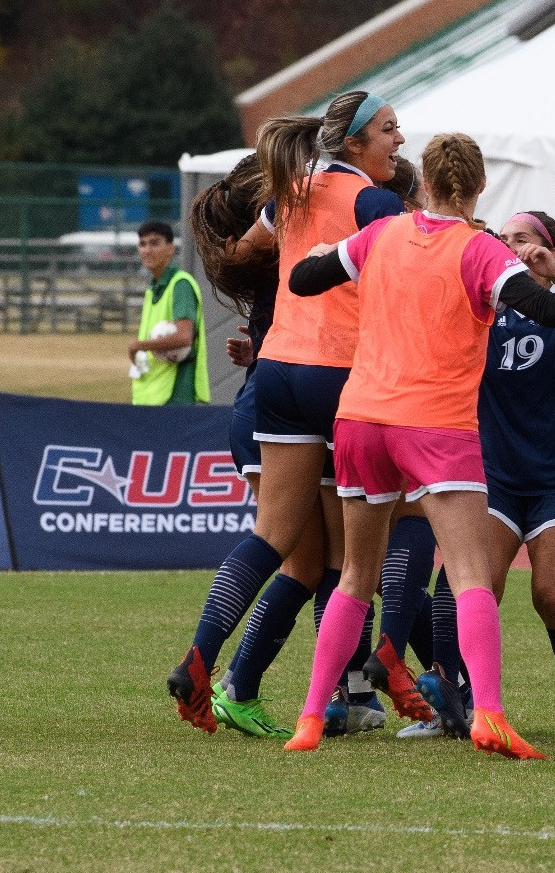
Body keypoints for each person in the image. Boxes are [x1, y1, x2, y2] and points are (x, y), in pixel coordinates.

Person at [280, 132, 555, 756]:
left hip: (362, 419)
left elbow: (303, 278)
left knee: (354, 575)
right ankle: (488, 714)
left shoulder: (382, 234)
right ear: (479, 187)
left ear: (424, 182)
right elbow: (546, 308)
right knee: (470, 577)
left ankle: (310, 719)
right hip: (434, 425)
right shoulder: (477, 250)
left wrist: (321, 252)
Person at [165, 90, 408, 733]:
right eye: (388, 129)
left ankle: (201, 656)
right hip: (343, 378)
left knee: (271, 536)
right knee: (348, 559)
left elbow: (244, 251)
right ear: (354, 142)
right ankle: (342, 698)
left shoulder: (291, 192)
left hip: (276, 371)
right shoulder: (377, 202)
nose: (400, 140)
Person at [403, 179, 555, 742]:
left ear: (548, 247)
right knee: (471, 584)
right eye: (504, 238)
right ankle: (452, 703)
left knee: (552, 596)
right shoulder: (479, 308)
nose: (513, 245)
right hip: (494, 475)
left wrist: (554, 274)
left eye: (525, 236)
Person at [129, 220, 209, 406]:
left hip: (175, 393)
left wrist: (139, 346)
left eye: (155, 243)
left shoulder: (180, 284)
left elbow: (184, 337)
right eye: (142, 244)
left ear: (171, 248)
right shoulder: (153, 289)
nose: (147, 250)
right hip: (152, 393)